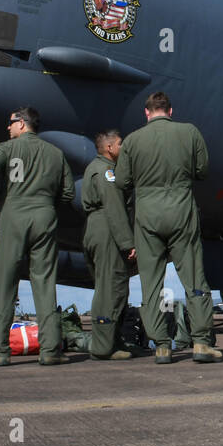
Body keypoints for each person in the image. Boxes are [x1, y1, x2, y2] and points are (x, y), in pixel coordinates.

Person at [114, 91, 222, 364]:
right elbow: (202, 171)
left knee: (151, 283)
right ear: (171, 111)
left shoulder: (133, 140)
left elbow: (123, 181)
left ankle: (161, 346)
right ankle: (200, 343)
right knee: (194, 280)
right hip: (181, 212)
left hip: (147, 217)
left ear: (147, 113)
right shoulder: (189, 132)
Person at [0, 107, 74, 365]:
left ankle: (0, 351)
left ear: (22, 123)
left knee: (6, 278)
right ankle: (50, 349)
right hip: (45, 215)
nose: (8, 128)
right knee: (44, 280)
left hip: (14, 213)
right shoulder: (55, 153)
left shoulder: (7, 149)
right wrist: (48, 205)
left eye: (11, 123)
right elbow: (68, 192)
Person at [82, 129, 135, 360]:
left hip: (95, 227)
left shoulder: (92, 167)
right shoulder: (106, 172)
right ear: (110, 148)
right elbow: (115, 208)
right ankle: (104, 347)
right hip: (107, 230)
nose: (123, 148)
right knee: (111, 288)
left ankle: (113, 341)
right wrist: (127, 243)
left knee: (107, 286)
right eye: (120, 144)